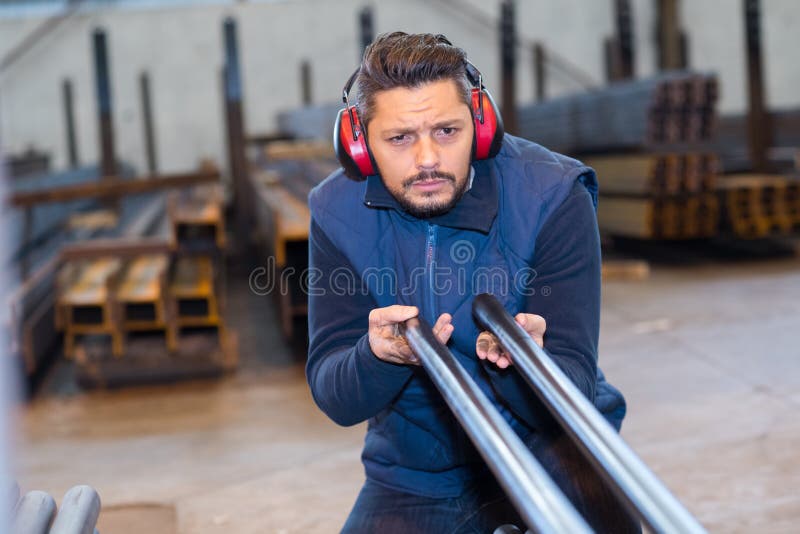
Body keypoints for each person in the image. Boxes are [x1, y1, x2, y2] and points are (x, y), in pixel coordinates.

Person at [306, 32, 638, 533]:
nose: (427, 160)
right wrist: (376, 358)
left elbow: (573, 380)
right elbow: (336, 396)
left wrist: (519, 367)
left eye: (446, 131)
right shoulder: (336, 213)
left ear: (481, 127)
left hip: (550, 449)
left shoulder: (552, 195)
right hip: (415, 475)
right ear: (360, 144)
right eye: (399, 138)